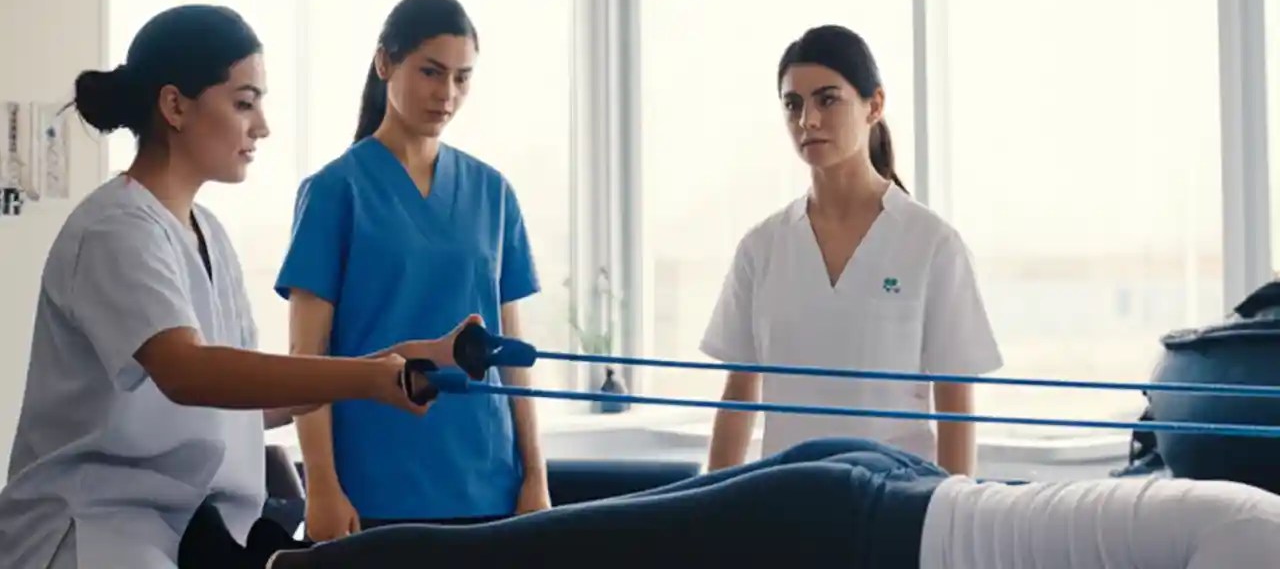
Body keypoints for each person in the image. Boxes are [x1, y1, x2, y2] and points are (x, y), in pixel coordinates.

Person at [0, 4, 469, 569]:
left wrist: (398, 361)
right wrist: (369, 377)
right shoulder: (115, 230)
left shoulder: (208, 235)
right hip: (95, 534)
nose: (262, 126)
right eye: (245, 103)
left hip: (185, 530)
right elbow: (189, 371)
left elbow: (245, 400)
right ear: (175, 105)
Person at [273, 0, 548, 539]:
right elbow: (308, 356)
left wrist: (535, 474)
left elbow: (512, 355)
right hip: (374, 485)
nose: (446, 93)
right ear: (384, 63)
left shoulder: (493, 193)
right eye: (430, 71)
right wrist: (322, 486)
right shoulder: (334, 192)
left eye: (462, 78)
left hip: (486, 480)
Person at [180, 436, 1280, 569]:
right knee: (538, 559)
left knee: (549, 544)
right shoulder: (1254, 535)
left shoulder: (1250, 515)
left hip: (886, 493)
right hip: (859, 525)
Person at [701, 25, 1003, 474]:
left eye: (827, 100)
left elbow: (955, 402)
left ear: (874, 105)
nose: (808, 121)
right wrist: (711, 515)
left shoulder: (931, 244)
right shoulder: (761, 248)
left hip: (896, 505)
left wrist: (953, 521)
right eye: (793, 105)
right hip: (781, 503)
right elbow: (739, 395)